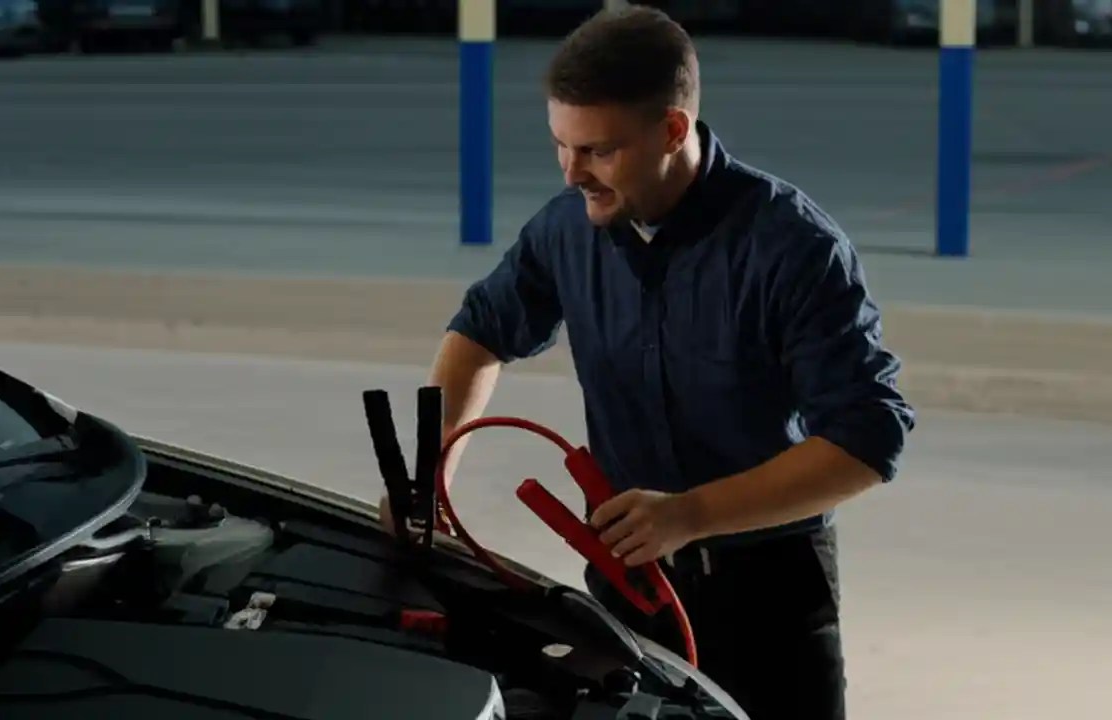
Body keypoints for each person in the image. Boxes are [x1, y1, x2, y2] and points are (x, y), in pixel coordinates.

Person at [378, 7, 916, 719]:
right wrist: (431, 476)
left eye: (597, 151)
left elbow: (869, 439)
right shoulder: (567, 228)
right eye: (560, 145)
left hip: (768, 599)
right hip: (625, 588)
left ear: (672, 131)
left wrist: (691, 513)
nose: (572, 173)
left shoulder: (793, 248)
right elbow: (479, 332)